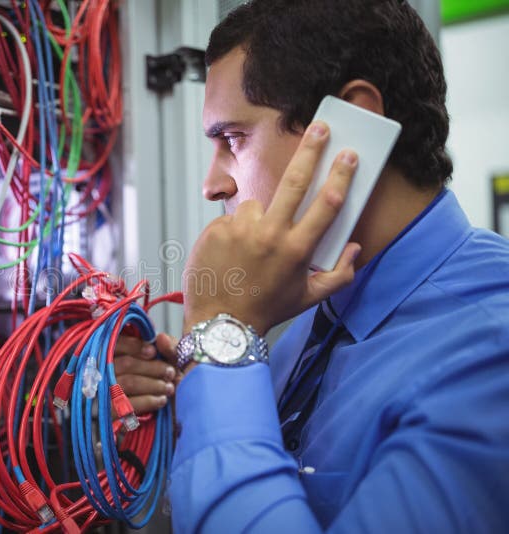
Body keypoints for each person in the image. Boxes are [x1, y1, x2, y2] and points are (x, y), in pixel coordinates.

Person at [114, 0, 509, 532]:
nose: (212, 185)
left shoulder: (490, 349)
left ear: (352, 129)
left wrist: (218, 334)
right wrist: (184, 395)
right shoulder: (305, 325)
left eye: (233, 140)